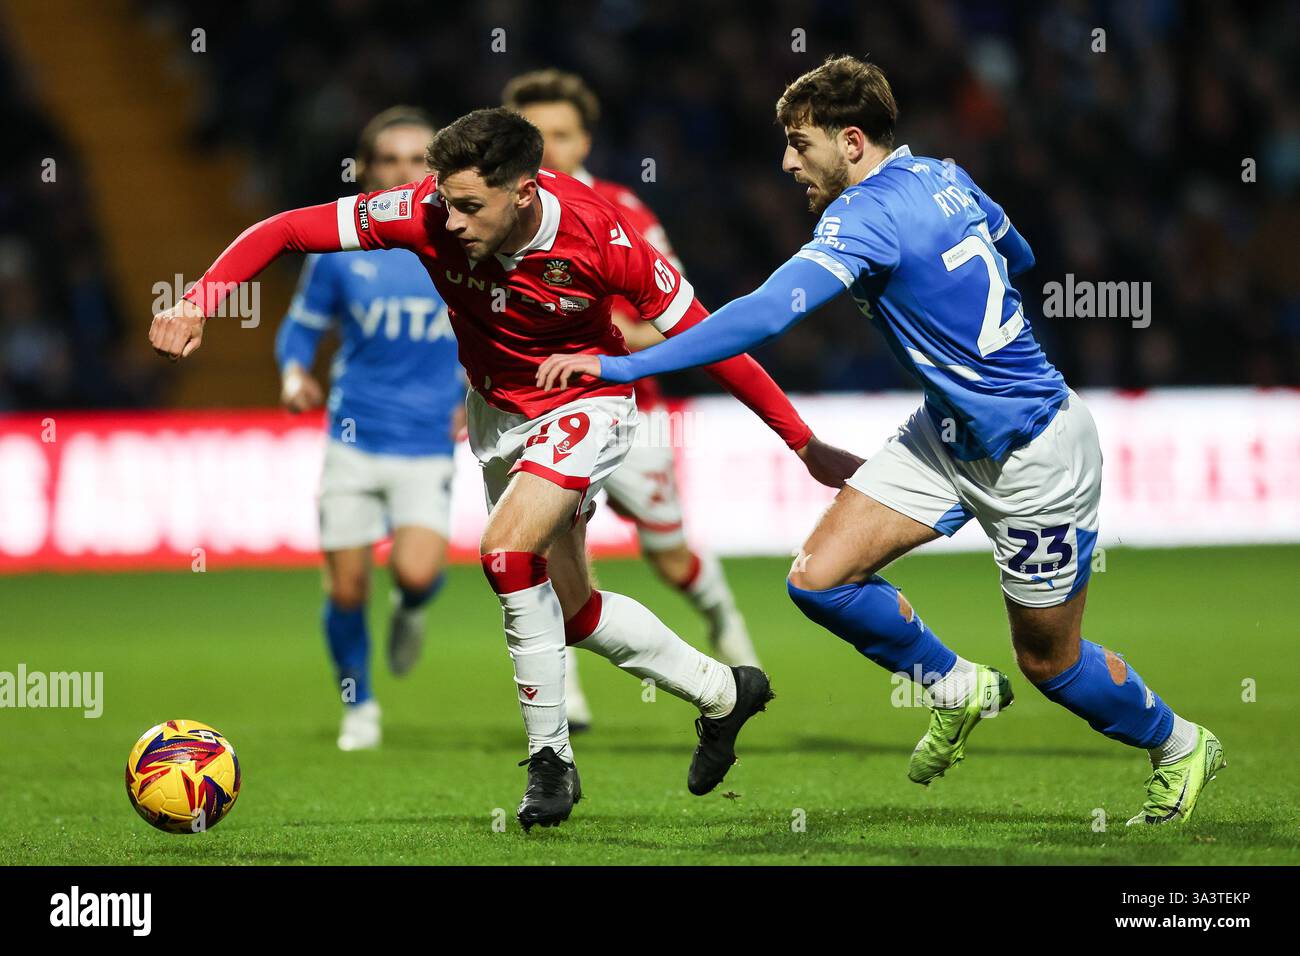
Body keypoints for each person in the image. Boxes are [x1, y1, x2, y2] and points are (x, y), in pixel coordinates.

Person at [537, 56, 1224, 826]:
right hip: (946, 433)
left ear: (852, 141)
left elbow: (765, 314)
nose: (787, 162)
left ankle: (1179, 743)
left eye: (801, 144)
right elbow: (1019, 253)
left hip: (1033, 452)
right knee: (819, 579)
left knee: (1050, 664)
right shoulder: (946, 175)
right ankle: (956, 685)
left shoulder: (863, 215)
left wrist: (620, 361)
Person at [149, 106, 861, 830]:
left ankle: (550, 762)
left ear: (523, 192)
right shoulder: (423, 210)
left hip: (587, 400)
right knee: (576, 611)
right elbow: (286, 229)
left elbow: (716, 341)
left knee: (504, 552)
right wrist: (202, 299)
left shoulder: (605, 238)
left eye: (468, 206)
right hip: (497, 413)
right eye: (444, 202)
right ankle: (723, 693)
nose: (449, 221)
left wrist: (802, 442)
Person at [503, 68, 761, 735]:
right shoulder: (494, 213)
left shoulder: (620, 209)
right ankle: (566, 705)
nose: (549, 147)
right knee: (544, 552)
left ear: (586, 139)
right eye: (535, 135)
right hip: (538, 420)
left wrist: (606, 354)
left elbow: (678, 318)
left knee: (669, 557)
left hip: (627, 413)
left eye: (561, 134)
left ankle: (723, 622)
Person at [274, 106, 464, 752]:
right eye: (390, 160)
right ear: (365, 171)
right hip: (352, 437)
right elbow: (300, 328)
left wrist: (482, 395)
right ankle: (359, 703)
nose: (403, 171)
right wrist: (294, 373)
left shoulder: (460, 240)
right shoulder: (339, 248)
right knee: (347, 585)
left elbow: (497, 332)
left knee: (414, 575)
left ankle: (411, 612)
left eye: (418, 161)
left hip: (427, 441)